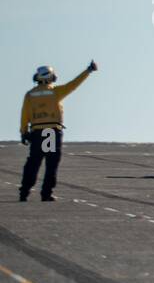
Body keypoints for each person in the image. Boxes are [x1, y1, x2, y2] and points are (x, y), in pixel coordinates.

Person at [19, 60, 98, 202]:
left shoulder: (30, 94)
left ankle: (24, 191)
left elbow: (24, 114)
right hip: (51, 132)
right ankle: (46, 193)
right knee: (51, 163)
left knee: (33, 162)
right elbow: (74, 84)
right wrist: (88, 71)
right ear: (50, 77)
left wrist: (23, 132)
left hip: (37, 132)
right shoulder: (55, 92)